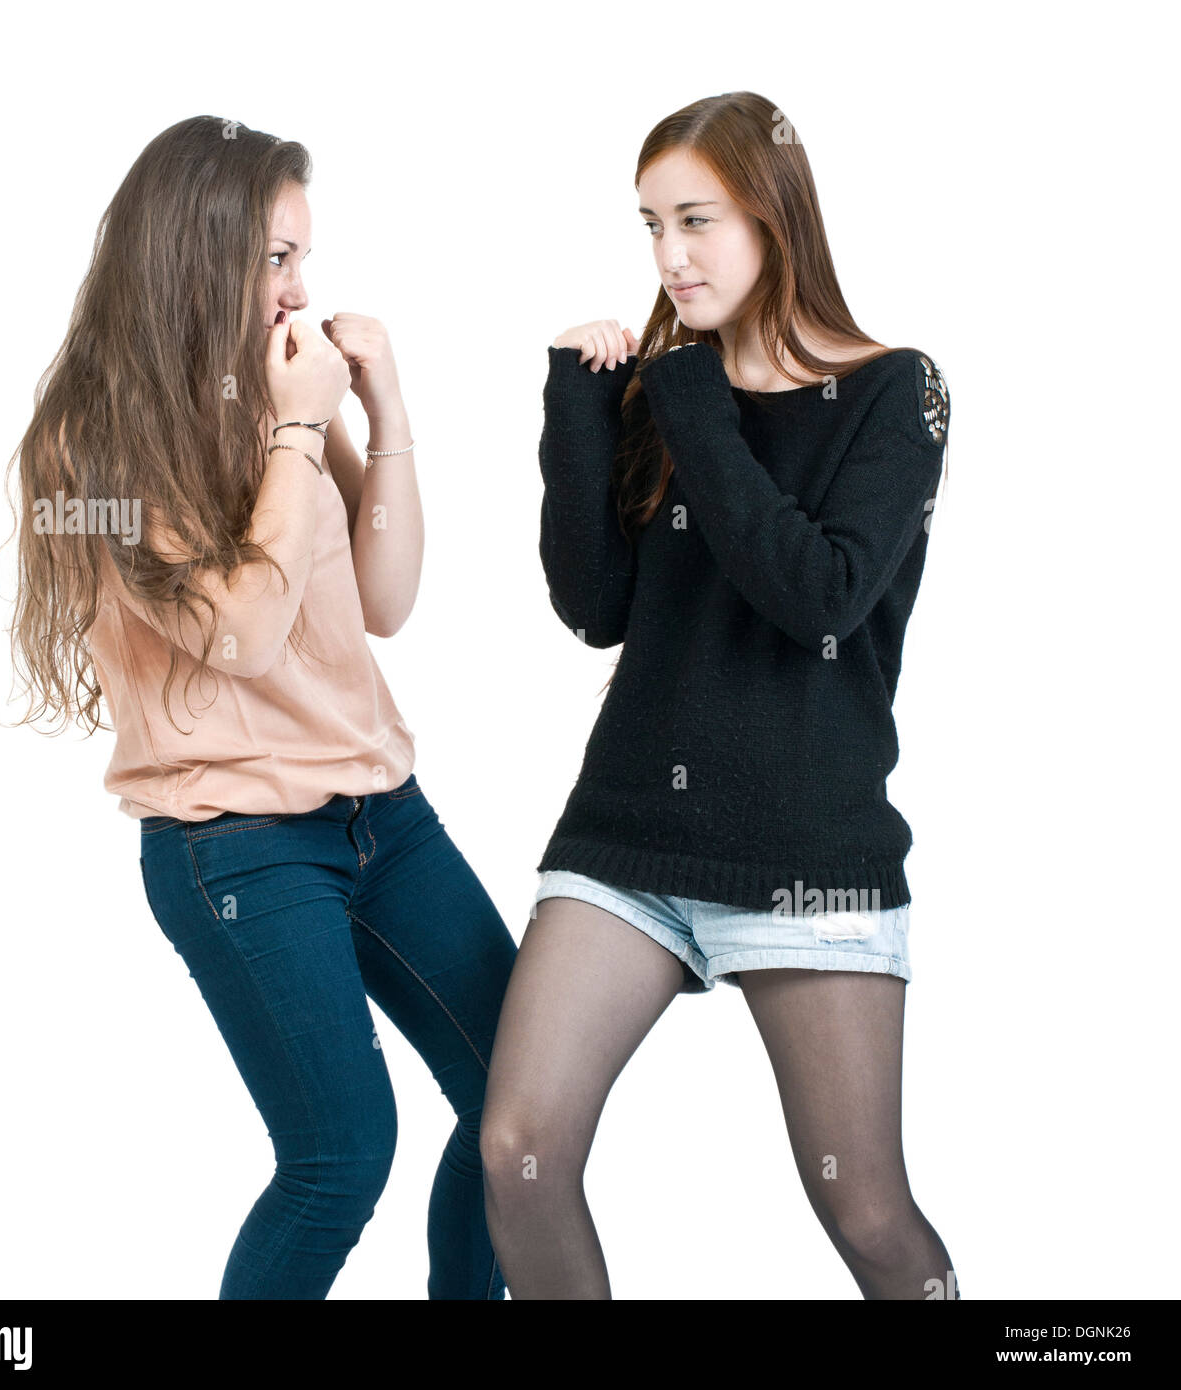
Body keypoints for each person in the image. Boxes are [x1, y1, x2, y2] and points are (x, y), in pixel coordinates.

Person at [7, 115, 516, 1299]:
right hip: (231, 843)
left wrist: (383, 420)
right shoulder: (91, 446)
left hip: (384, 815)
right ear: (196, 255)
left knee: (518, 1105)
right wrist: (296, 427)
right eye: (274, 259)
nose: (299, 291)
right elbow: (240, 634)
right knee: (339, 1160)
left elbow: (385, 601)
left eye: (303, 257)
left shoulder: (277, 394)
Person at [479, 91, 958, 1300]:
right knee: (519, 1152)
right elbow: (596, 607)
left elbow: (822, 595)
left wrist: (695, 406)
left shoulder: (899, 391)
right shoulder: (669, 393)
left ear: (773, 217)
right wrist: (583, 416)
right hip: (628, 838)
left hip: (809, 851)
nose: (667, 257)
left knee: (864, 1211)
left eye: (695, 221)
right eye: (648, 226)